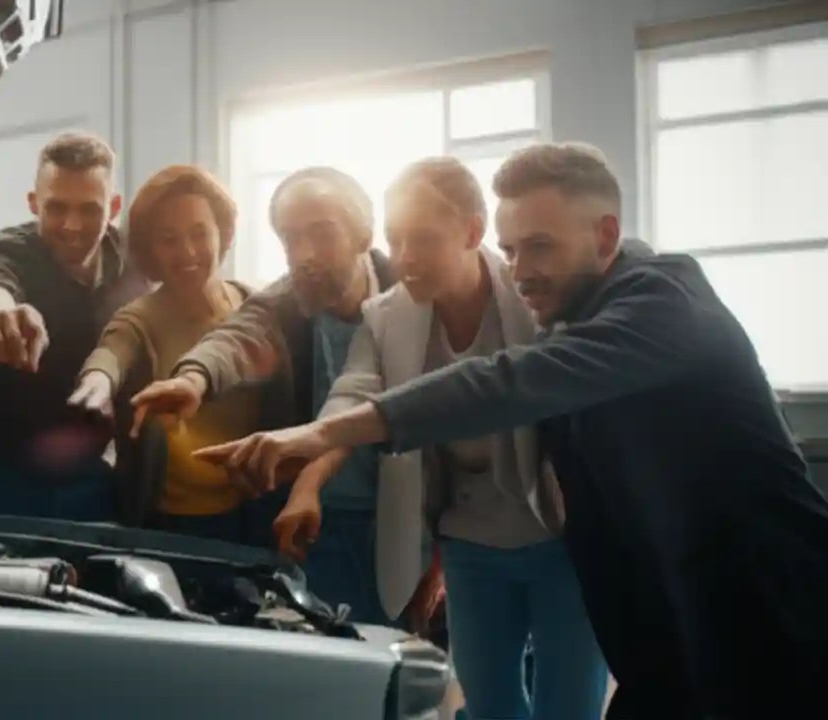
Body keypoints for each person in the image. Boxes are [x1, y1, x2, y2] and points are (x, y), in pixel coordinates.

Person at [194, 142, 828, 719]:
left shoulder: (662, 301)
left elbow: (507, 381)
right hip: (662, 601)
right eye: (513, 247)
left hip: (768, 599)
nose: (520, 269)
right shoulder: (571, 307)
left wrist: (317, 436)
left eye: (542, 246)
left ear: (605, 235)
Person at [272, 157, 606, 719]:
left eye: (423, 239)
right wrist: (306, 482)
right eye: (396, 239)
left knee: (568, 707)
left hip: (561, 539)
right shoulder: (385, 317)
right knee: (491, 704)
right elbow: (351, 400)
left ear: (474, 232)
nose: (404, 257)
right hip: (470, 544)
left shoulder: (539, 302)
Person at [131, 166, 398, 623]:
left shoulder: (407, 295)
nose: (305, 254)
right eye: (290, 239)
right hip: (313, 519)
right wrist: (193, 378)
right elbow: (237, 337)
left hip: (396, 513)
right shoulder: (288, 300)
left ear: (364, 234)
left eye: (322, 234)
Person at [0, 132, 150, 521]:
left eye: (89, 209)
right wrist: (0, 315)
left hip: (93, 474)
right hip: (0, 472)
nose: (72, 225)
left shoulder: (133, 266)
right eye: (57, 207)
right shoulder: (7, 249)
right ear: (34, 204)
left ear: (114, 207)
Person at [68, 165, 264, 540]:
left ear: (222, 233)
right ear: (150, 249)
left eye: (198, 234)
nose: (187, 251)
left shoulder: (253, 303)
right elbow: (112, 351)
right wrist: (96, 383)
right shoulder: (141, 317)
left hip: (255, 510)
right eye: (169, 239)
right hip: (173, 522)